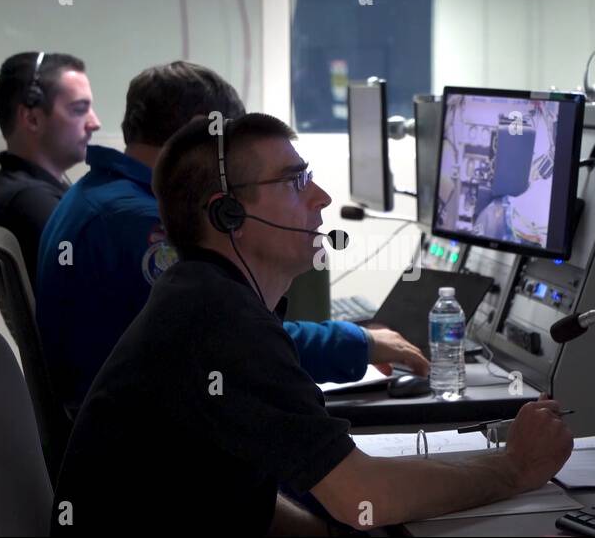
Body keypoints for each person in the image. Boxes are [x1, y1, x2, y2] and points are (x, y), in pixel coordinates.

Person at [51, 113, 573, 536]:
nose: (321, 196)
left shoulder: (207, 298)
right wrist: (514, 468)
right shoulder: (219, 322)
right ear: (228, 214)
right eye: (295, 180)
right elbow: (363, 495)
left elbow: (238, 498)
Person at [37, 62, 426, 411]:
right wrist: (358, 343)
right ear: (199, 133)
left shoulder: (97, 195)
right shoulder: (142, 224)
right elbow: (239, 346)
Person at [0, 52, 100, 284]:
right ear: (32, 119)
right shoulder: (31, 201)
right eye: (79, 109)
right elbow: (84, 280)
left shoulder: (28, 192)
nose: (95, 122)